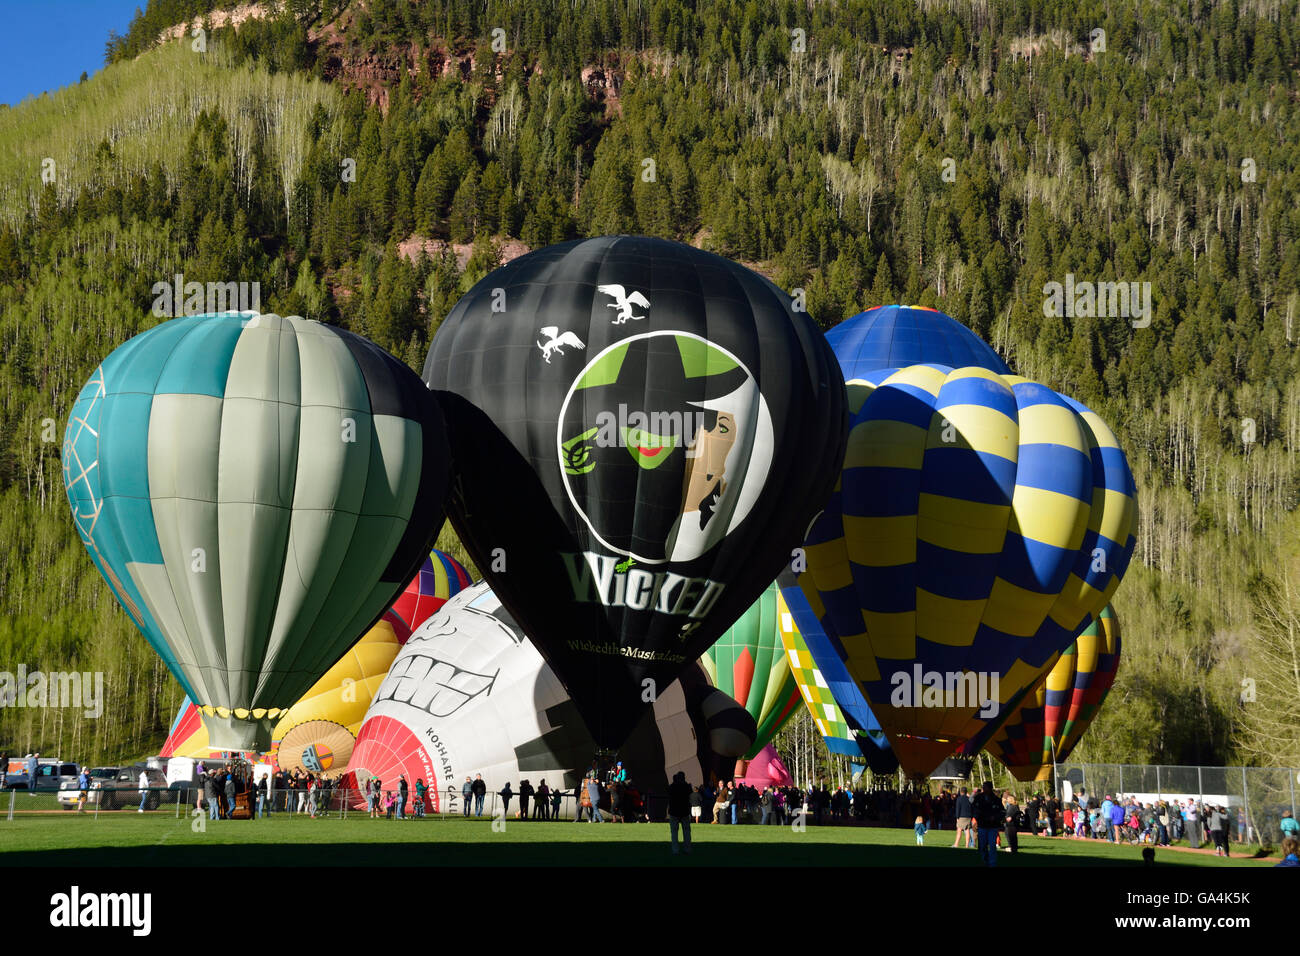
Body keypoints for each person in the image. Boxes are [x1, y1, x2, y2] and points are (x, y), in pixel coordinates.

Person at [971, 781, 1002, 867]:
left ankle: (992, 863)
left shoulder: (996, 799)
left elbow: (1002, 812)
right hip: (982, 825)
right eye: (983, 787)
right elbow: (973, 808)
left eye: (985, 787)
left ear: (990, 788)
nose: (984, 789)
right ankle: (985, 859)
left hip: (993, 826)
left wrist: (995, 817)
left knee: (992, 845)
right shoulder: (978, 798)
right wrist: (976, 818)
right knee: (983, 845)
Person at [667, 771, 693, 855]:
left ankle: (675, 850)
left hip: (674, 812)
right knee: (686, 832)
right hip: (684, 812)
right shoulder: (686, 787)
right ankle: (687, 849)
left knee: (674, 833)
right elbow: (690, 792)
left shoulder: (672, 787)